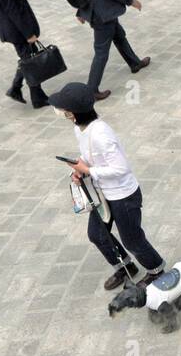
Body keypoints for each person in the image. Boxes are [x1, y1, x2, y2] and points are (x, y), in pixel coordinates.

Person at [49, 81, 167, 292]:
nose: (61, 112)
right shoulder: (80, 129)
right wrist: (80, 168)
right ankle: (124, 265)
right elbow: (89, 158)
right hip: (102, 192)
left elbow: (121, 168)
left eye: (65, 109)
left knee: (132, 240)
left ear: (73, 113)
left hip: (123, 196)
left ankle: (156, 271)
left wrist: (89, 171)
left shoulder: (101, 135)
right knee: (97, 234)